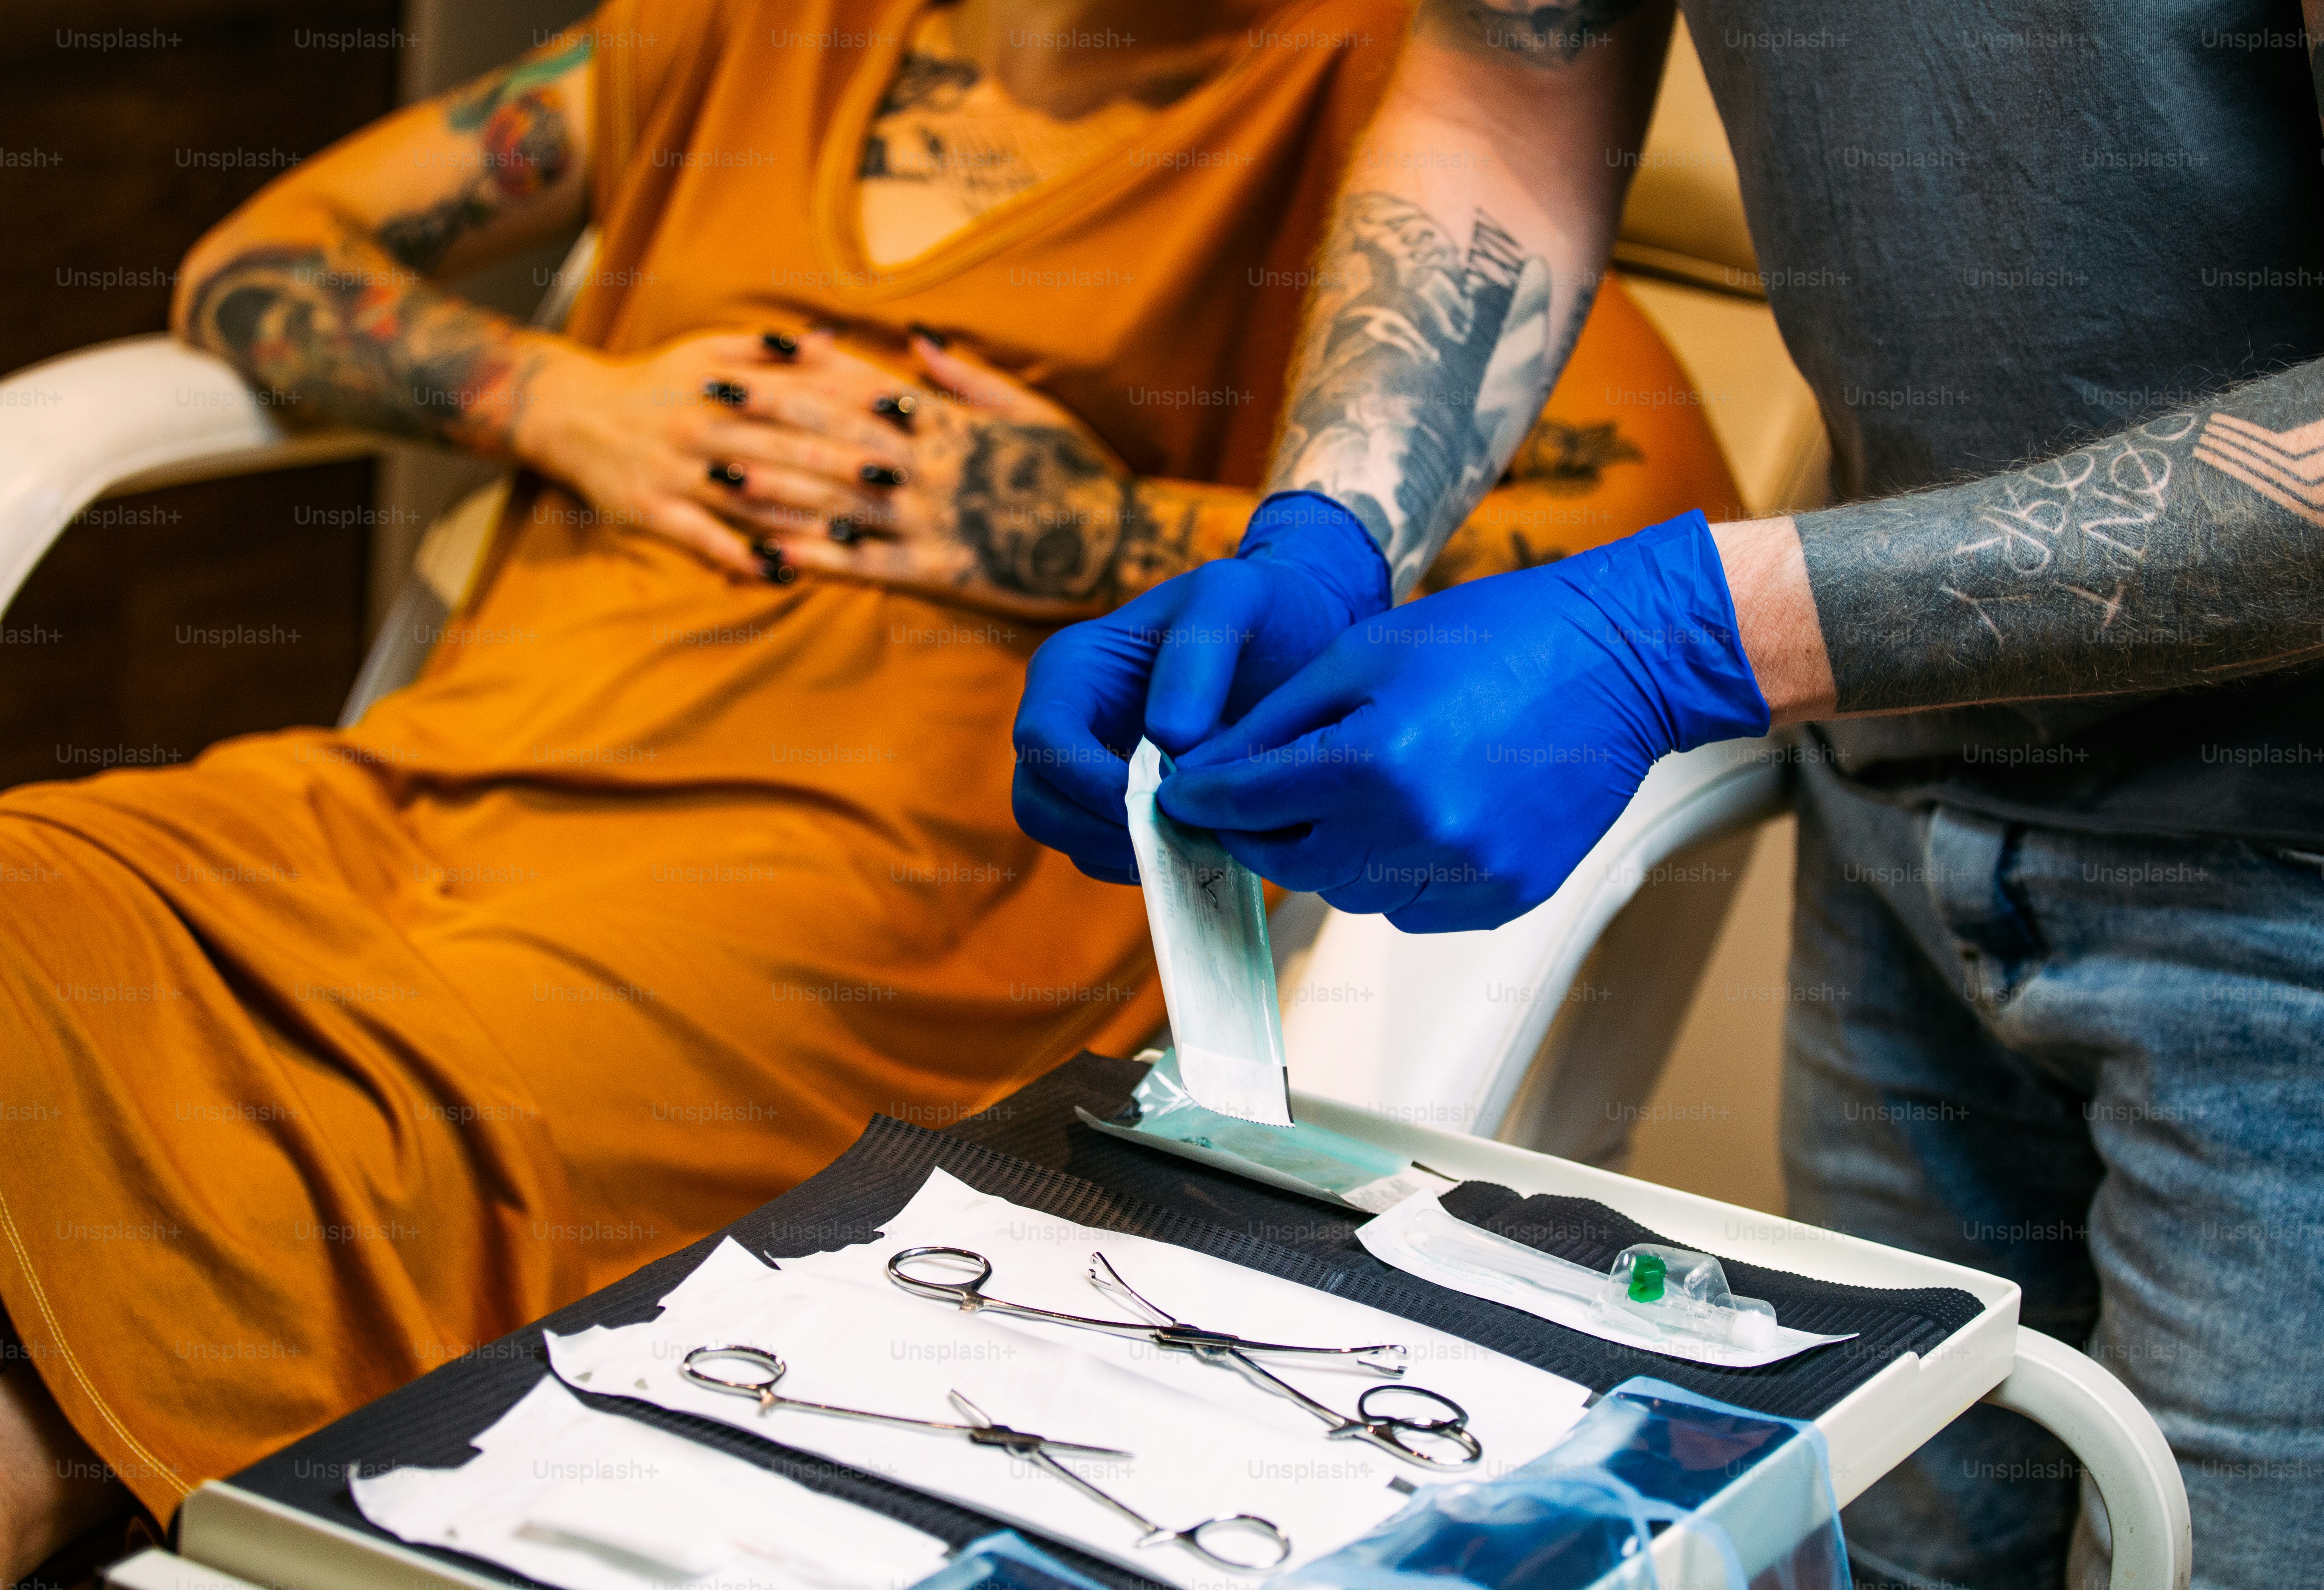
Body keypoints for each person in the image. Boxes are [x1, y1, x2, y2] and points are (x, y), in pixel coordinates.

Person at [0, 0, 1742, 1574]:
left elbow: (1619, 575)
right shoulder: (739, 36)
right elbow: (261, 257)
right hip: (388, 806)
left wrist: (1078, 528)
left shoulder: (1387, 118)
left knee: (347, 1138)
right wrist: (559, 399)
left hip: (823, 934)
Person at [1014, 2, 2324, 1587]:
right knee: (1892, 1546)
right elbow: (1510, 82)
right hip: (1904, 796)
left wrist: (1687, 632)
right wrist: (1333, 522)